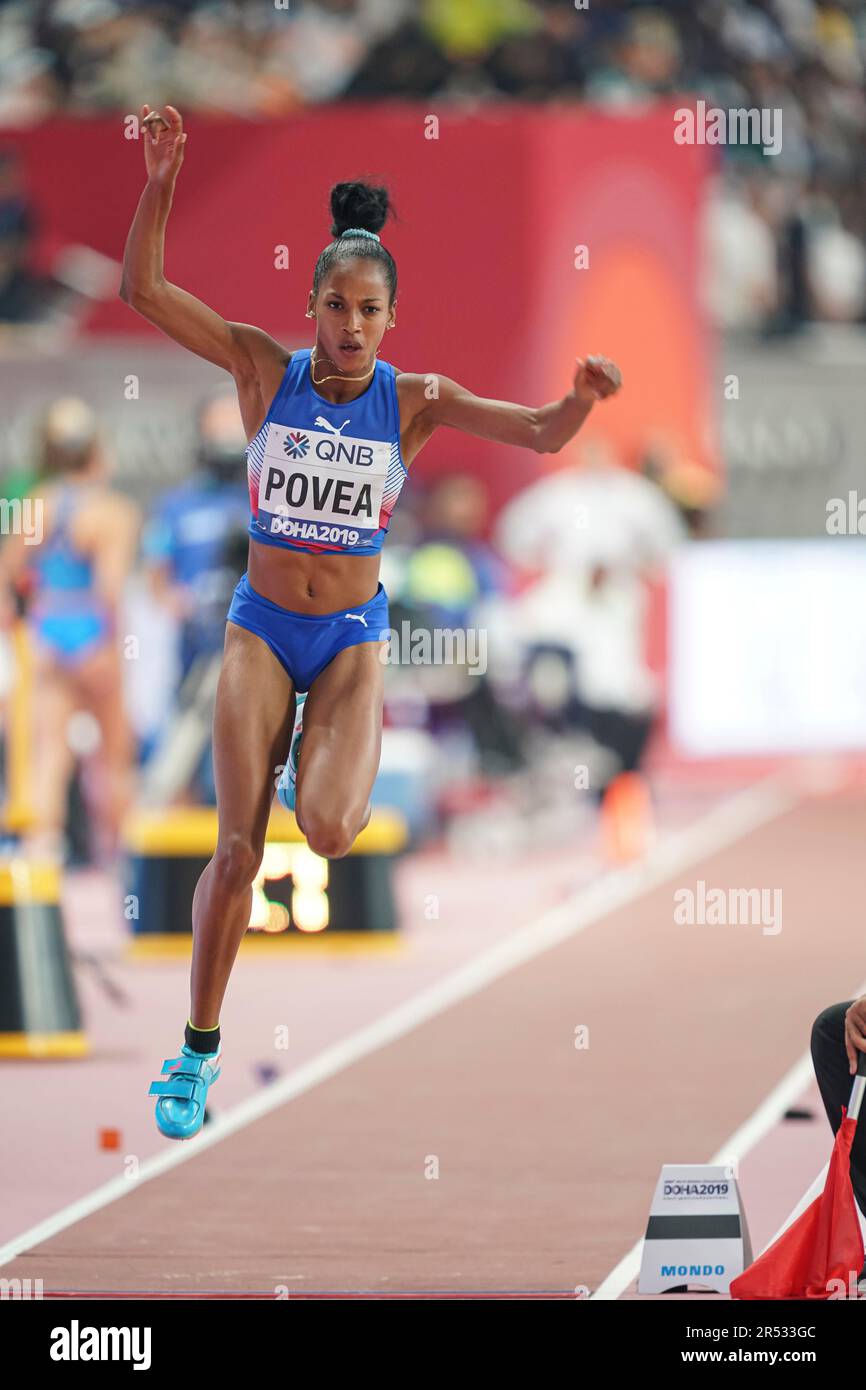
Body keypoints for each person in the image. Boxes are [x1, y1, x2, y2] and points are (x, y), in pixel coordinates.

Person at [120, 103, 622, 1139]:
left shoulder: (417, 398)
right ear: (309, 305)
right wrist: (162, 182)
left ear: (392, 318)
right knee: (235, 853)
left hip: (347, 640)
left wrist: (577, 400)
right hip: (260, 627)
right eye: (334, 306)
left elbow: (534, 432)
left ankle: (324, 746)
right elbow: (144, 291)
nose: (349, 326)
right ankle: (196, 1052)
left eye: (367, 311)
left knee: (333, 831)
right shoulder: (264, 369)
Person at [0, 397, 140, 862]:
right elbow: (109, 589)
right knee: (114, 757)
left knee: (49, 756)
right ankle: (123, 864)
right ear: (99, 455)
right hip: (92, 634)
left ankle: (41, 858)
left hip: (48, 633)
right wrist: (112, 649)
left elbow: (8, 575)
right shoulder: (113, 512)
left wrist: (26, 633)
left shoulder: (41, 502)